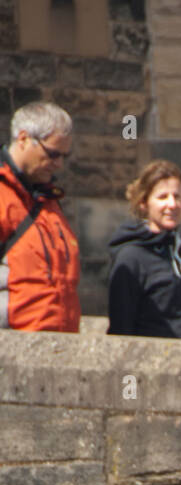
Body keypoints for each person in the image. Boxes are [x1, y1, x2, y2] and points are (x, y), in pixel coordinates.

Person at [107, 160, 181, 339]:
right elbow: (121, 329)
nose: (172, 204)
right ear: (144, 203)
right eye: (162, 197)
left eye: (177, 196)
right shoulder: (131, 258)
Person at [0, 102, 79, 332]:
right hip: (12, 346)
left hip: (58, 347)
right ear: (23, 139)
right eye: (52, 154)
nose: (59, 165)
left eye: (64, 156)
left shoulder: (49, 199)